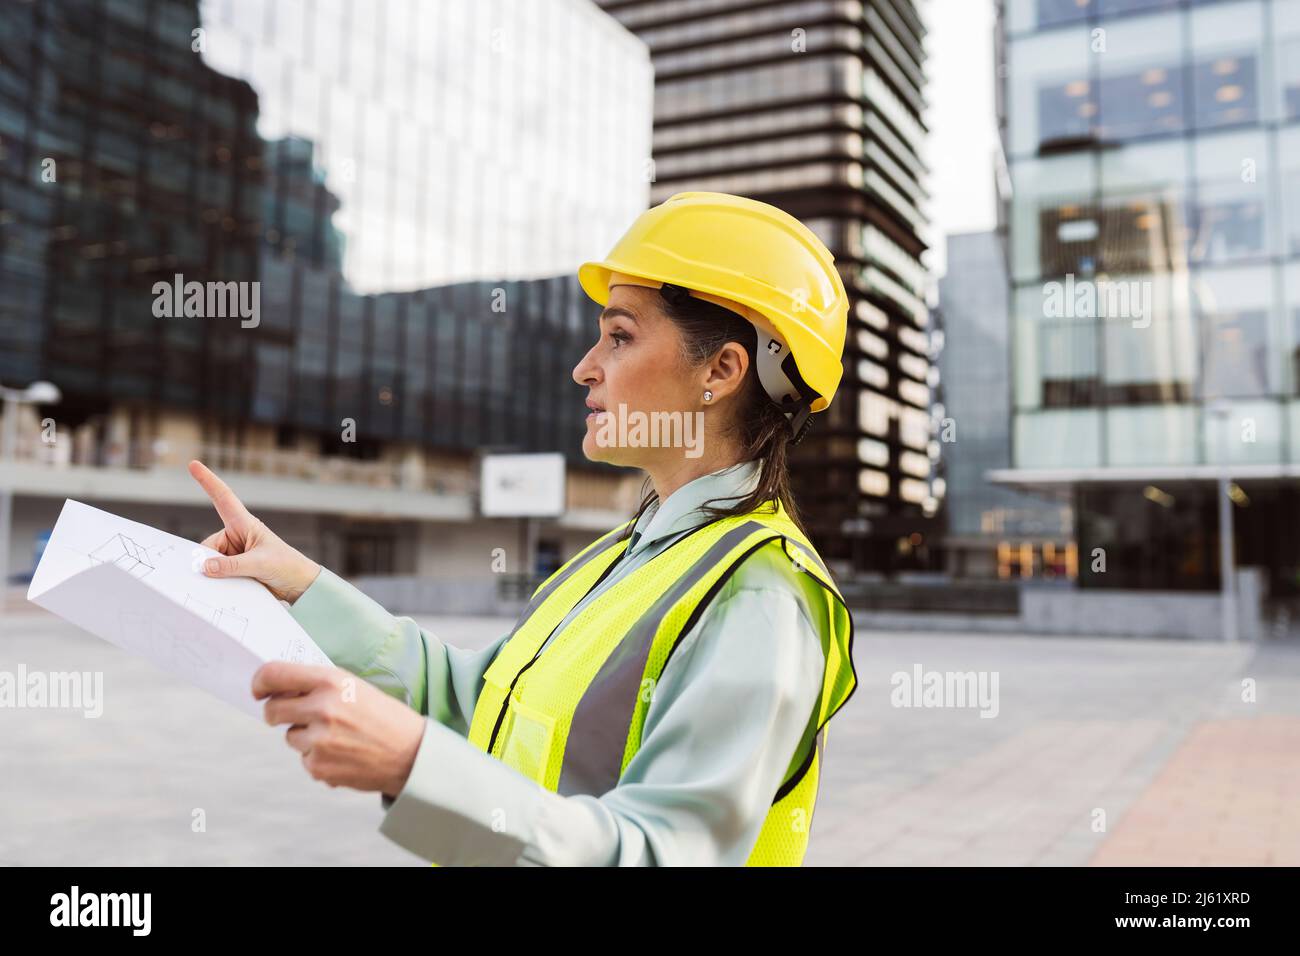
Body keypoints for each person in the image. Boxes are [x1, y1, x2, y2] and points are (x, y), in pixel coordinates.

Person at [190, 191, 857, 866]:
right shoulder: (621, 557)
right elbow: (477, 702)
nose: (584, 367)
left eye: (620, 336)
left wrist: (414, 764)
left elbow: (659, 853)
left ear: (721, 370)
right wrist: (300, 584)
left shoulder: (760, 600)